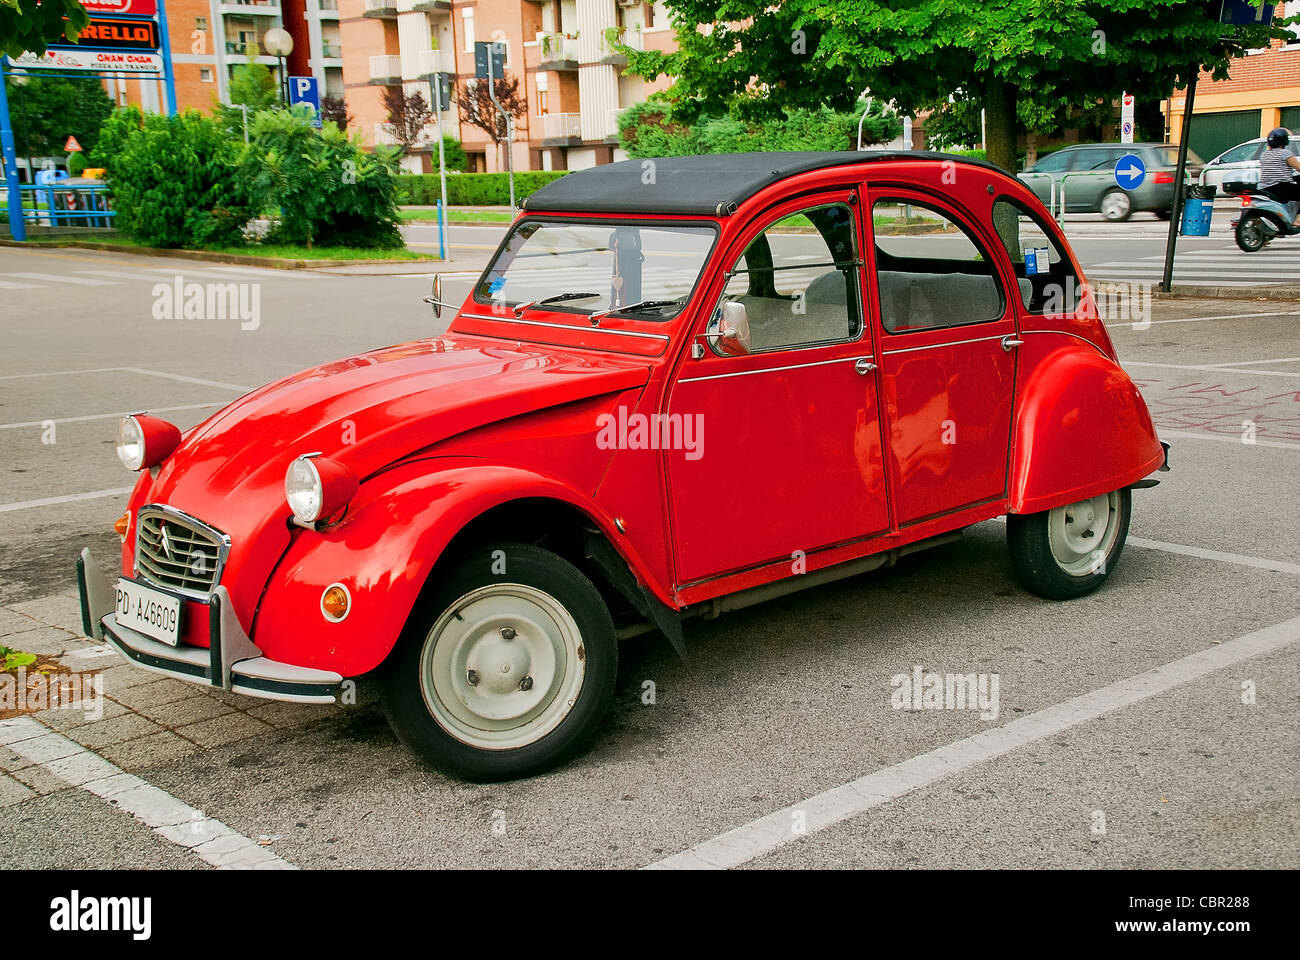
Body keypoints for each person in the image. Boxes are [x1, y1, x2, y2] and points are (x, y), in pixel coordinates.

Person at [1257, 127, 1300, 223]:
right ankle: (1298, 221)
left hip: (1265, 188)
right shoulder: (1285, 153)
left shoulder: (1264, 155)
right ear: (1284, 140)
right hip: (1280, 188)